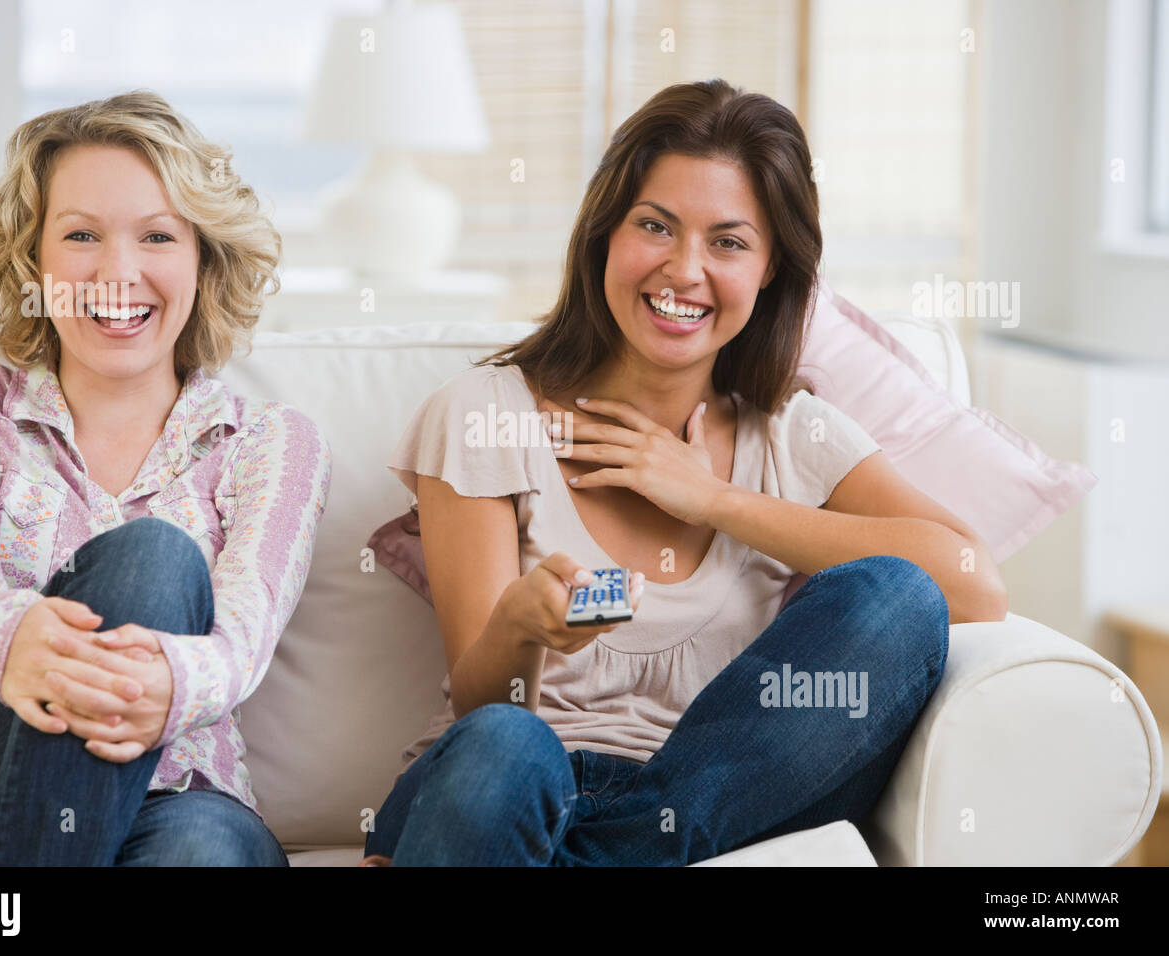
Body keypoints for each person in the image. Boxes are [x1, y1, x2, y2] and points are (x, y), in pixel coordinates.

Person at [361, 79, 1007, 866]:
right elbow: (480, 706)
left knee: (894, 594)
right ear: (605, 233)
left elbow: (973, 583)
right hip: (507, 796)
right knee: (504, 742)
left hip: (707, 799)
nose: (683, 270)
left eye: (728, 242)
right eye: (655, 226)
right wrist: (520, 625)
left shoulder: (792, 436)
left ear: (769, 269)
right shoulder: (484, 414)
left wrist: (715, 498)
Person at [0, 91, 331, 865]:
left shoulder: (269, 443)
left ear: (201, 258)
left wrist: (164, 686)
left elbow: (241, 645)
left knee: (203, 860)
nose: (118, 272)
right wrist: (21, 641)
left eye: (157, 236)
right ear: (33, 259)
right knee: (151, 560)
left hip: (180, 793)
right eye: (81, 234)